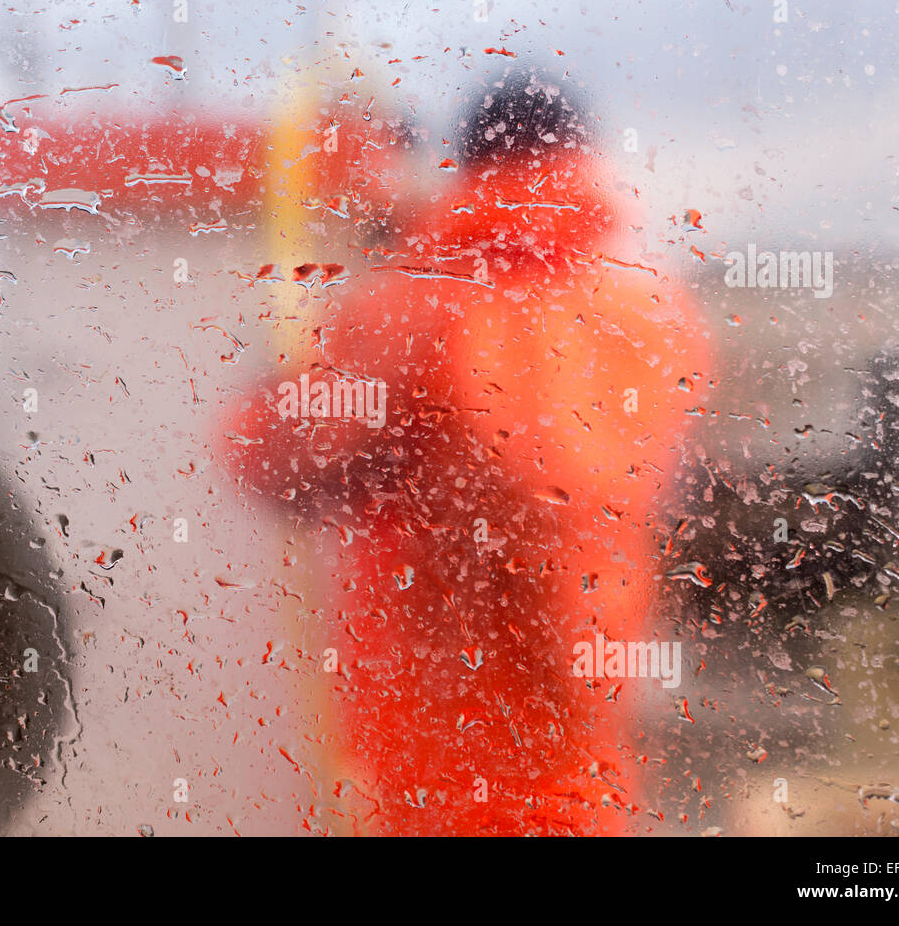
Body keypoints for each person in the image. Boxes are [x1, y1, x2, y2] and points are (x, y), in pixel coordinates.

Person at [221, 68, 710, 834]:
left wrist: (267, 386)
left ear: (468, 161)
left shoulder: (410, 302)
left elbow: (274, 456)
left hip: (435, 717)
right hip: (585, 694)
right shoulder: (650, 308)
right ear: (583, 158)